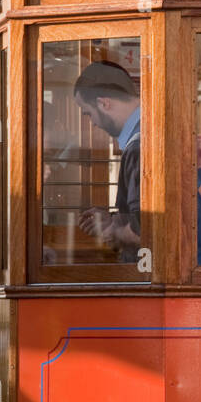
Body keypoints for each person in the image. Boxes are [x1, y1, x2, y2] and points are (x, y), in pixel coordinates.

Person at [73, 61, 141, 261]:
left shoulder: (138, 147)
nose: (93, 123)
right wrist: (113, 221)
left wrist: (113, 233)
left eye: (88, 113)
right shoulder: (150, 133)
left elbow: (145, 231)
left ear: (104, 103)